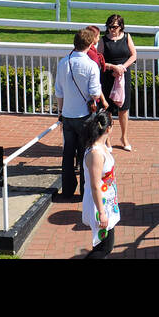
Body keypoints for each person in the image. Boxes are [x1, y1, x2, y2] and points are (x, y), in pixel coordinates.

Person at [54, 26, 106, 201]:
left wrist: (60, 112)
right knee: (85, 154)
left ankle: (68, 190)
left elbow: (59, 92)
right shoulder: (91, 65)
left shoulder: (63, 63)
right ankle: (85, 191)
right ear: (90, 44)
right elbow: (95, 93)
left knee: (68, 154)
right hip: (85, 116)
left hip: (67, 115)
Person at [81, 110, 120, 258]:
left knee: (104, 246)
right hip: (100, 205)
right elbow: (95, 185)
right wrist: (102, 213)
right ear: (108, 128)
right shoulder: (96, 153)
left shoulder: (102, 146)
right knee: (103, 247)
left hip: (107, 202)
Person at [98, 14, 137, 150]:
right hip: (108, 76)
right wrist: (111, 67)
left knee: (123, 108)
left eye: (114, 27)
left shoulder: (127, 37)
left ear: (121, 26)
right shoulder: (103, 40)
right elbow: (99, 59)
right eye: (109, 27)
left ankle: (124, 137)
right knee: (107, 108)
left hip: (123, 76)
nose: (112, 29)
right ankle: (107, 139)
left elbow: (133, 55)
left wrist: (122, 68)